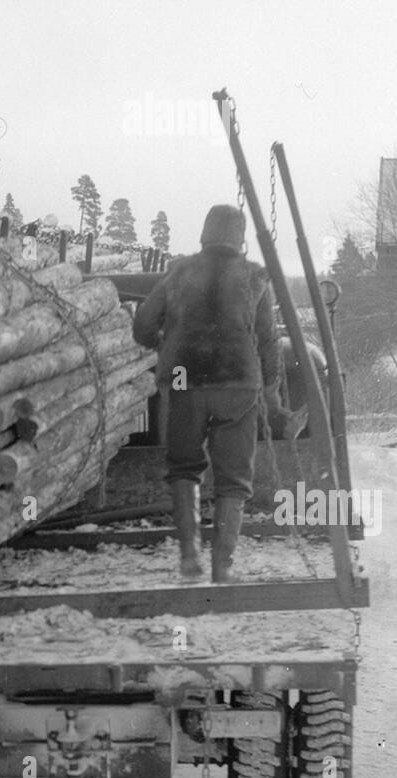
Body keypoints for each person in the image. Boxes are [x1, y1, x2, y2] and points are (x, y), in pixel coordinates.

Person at [132, 205, 283, 583]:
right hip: (238, 381)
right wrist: (270, 388)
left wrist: (162, 342)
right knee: (233, 478)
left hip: (184, 377)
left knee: (184, 467)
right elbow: (268, 340)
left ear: (203, 233)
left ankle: (188, 558)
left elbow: (143, 326)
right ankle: (222, 567)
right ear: (241, 238)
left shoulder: (179, 271)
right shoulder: (254, 277)